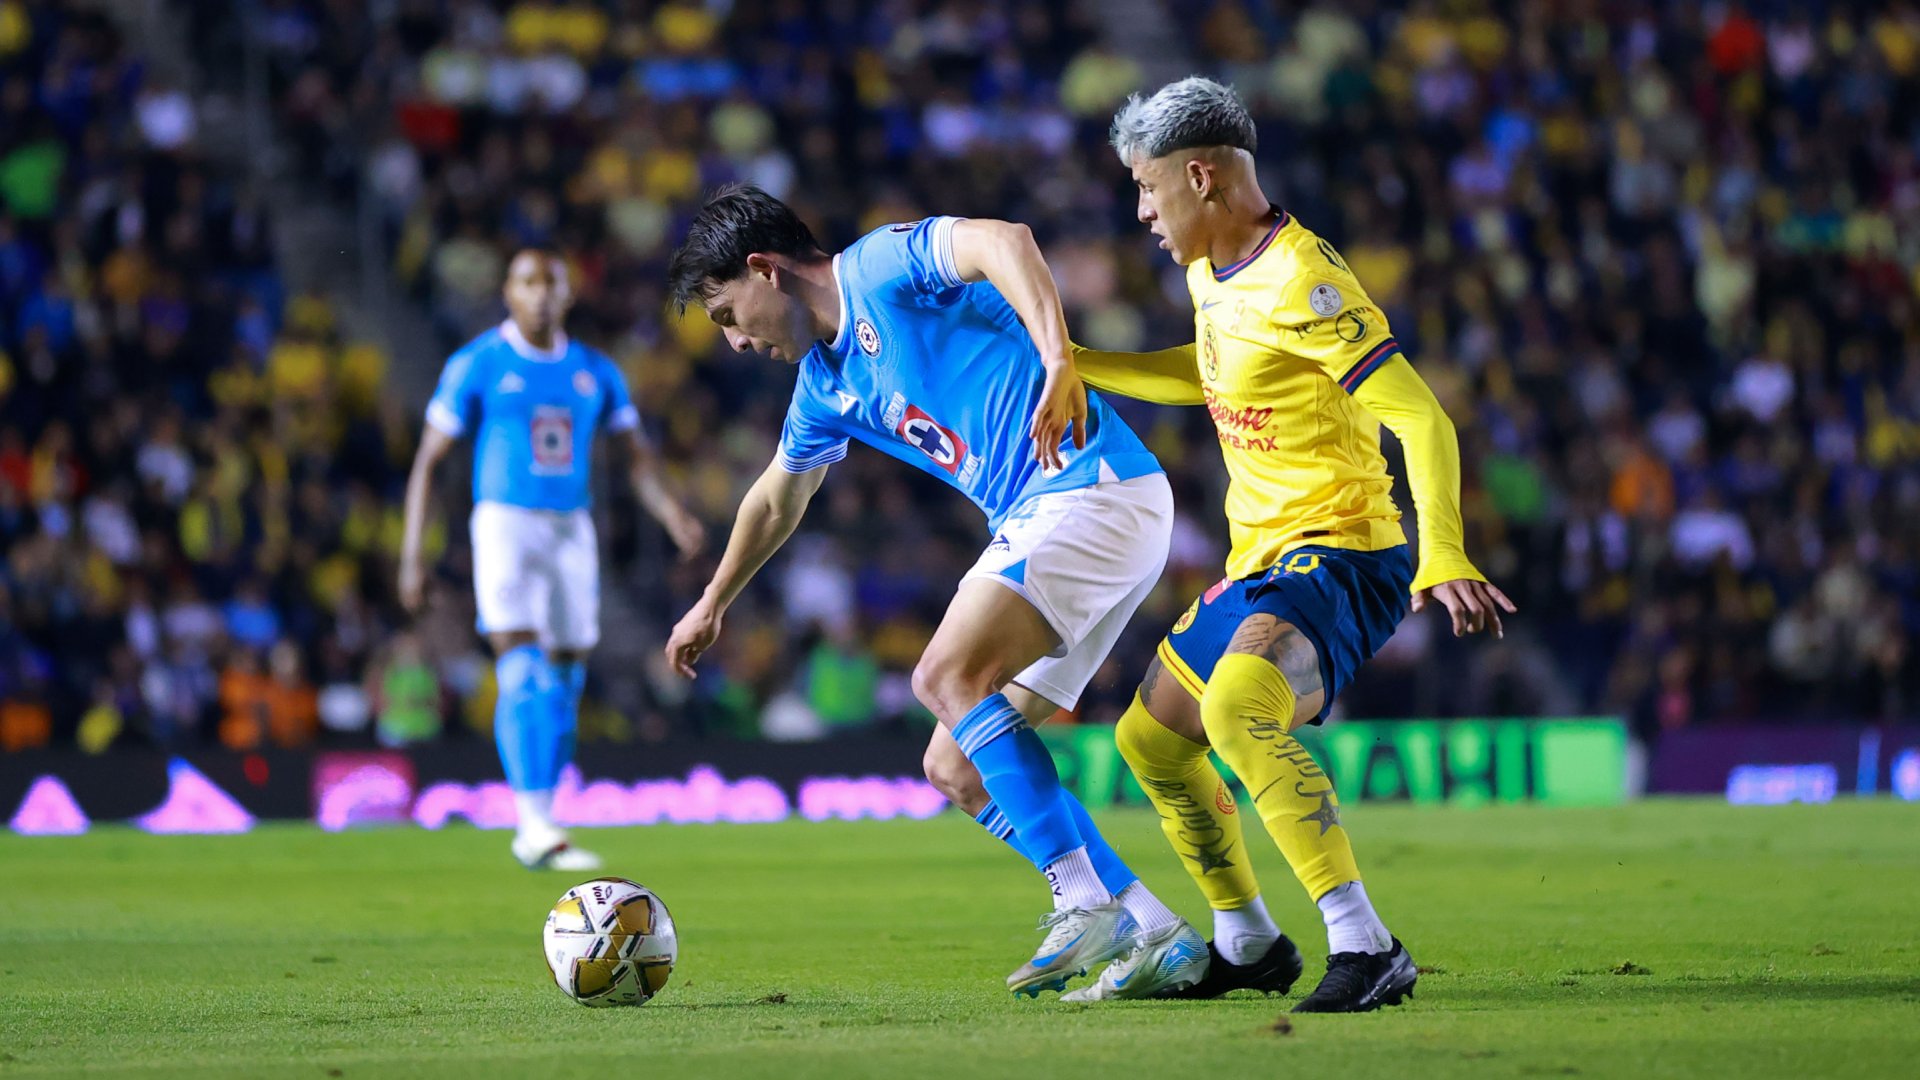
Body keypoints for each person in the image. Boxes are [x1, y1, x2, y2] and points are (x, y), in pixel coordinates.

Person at [662, 185, 1201, 997]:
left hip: (1090, 485)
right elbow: (775, 498)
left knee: (945, 676)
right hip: (1065, 515)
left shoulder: (880, 266)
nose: (736, 342)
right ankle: (1157, 931)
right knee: (954, 765)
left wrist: (1059, 358)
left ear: (764, 269)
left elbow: (1007, 240)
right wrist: (713, 601)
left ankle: (1084, 901)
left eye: (727, 315)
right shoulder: (823, 386)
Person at [1067, 77, 1516, 1010]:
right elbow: (1215, 371)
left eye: (1148, 187)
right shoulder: (1210, 268)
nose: (1141, 210)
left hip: (1345, 553)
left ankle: (1365, 944)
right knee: (1150, 742)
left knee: (1238, 709)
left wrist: (1444, 551)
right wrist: (1081, 365)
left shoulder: (1307, 283)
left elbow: (1422, 417)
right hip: (1264, 561)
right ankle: (1250, 943)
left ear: (1201, 178)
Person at [399, 249, 705, 871]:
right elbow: (429, 461)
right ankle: (533, 823)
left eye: (551, 284)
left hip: (572, 530)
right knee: (522, 667)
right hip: (505, 522)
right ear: (508, 293)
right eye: (528, 283)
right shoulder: (479, 363)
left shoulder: (595, 371)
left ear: (568, 295)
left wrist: (672, 514)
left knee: (565, 684)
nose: (540, 294)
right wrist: (412, 555)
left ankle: (543, 813)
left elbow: (637, 457)